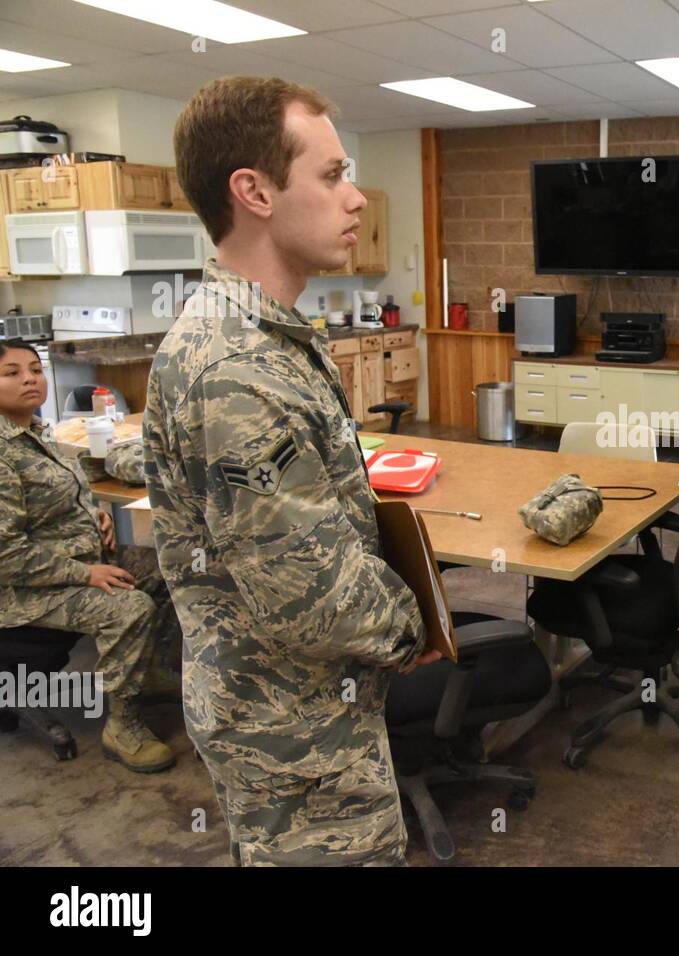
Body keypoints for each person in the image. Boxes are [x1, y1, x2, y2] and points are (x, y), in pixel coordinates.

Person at [142, 76, 439, 867]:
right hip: (290, 734)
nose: (357, 200)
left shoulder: (266, 338)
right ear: (254, 192)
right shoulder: (235, 368)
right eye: (333, 175)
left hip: (304, 713)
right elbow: (313, 597)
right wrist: (422, 626)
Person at [0, 338, 180, 772]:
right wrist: (85, 574)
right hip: (22, 590)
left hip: (72, 563)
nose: (30, 379)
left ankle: (146, 670)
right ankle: (123, 726)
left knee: (170, 565)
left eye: (34, 370)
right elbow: (6, 553)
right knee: (129, 606)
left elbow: (54, 501)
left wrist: (93, 513)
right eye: (12, 373)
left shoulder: (34, 431)